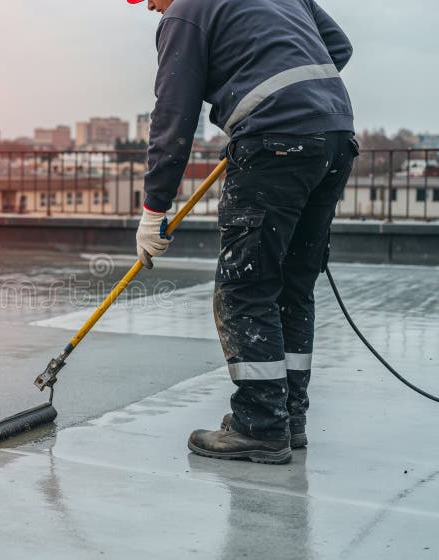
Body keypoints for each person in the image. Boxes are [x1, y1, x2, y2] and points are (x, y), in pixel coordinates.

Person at [131, 0, 359, 464]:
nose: (150, 8)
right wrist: (277, 99)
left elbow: (173, 115)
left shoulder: (184, 13)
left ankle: (260, 425)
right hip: (335, 136)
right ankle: (288, 418)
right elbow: (338, 47)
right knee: (294, 285)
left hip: (276, 143)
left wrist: (154, 208)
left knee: (245, 287)